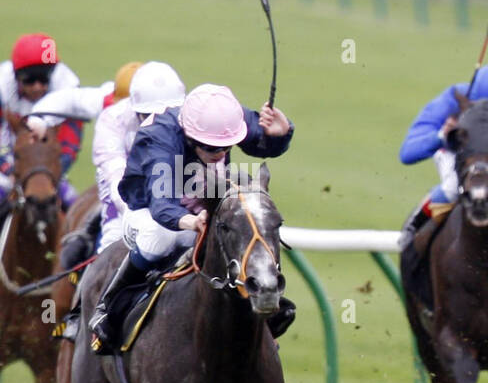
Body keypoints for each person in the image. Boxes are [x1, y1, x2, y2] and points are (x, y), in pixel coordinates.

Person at [89, 83, 294, 353]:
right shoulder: (159, 138)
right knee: (160, 238)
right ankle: (109, 307)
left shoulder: (223, 117)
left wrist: (281, 133)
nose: (221, 155)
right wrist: (193, 222)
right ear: (189, 136)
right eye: (212, 149)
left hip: (201, 201)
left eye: (226, 147)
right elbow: (162, 206)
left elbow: (261, 141)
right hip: (146, 210)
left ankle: (262, 296)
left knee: (243, 220)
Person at [27, 62, 187, 265]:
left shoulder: (187, 113)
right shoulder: (111, 115)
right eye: (147, 116)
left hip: (170, 186)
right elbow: (115, 179)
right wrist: (40, 118)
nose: (157, 123)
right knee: (113, 241)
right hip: (125, 186)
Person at [397, 63, 488, 245]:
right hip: (459, 157)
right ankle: (412, 229)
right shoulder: (453, 99)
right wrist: (441, 135)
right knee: (452, 187)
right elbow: (408, 153)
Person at [0, 33, 82, 217]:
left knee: (77, 208)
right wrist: (9, 169)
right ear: (16, 75)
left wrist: (51, 170)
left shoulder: (68, 87)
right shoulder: (1, 86)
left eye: (44, 79)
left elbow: (70, 143)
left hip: (47, 166)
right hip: (7, 164)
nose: (37, 86)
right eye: (29, 79)